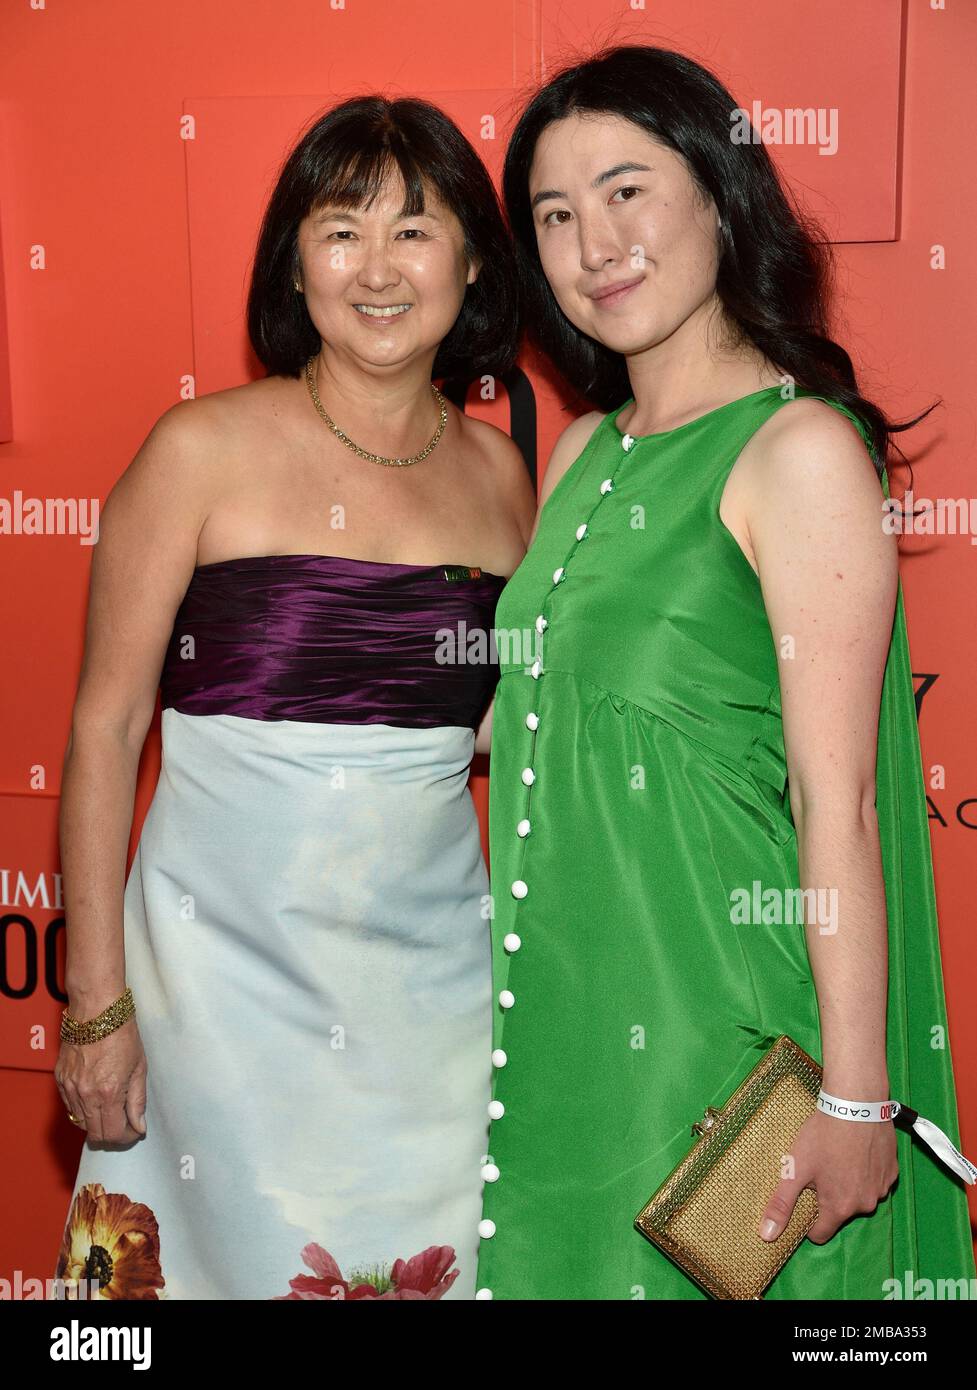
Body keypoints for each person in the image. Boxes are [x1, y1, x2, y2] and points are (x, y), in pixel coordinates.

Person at [474, 45, 976, 1300]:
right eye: (552, 214)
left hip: (718, 1026)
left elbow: (838, 800)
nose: (593, 241)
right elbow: (532, 725)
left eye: (626, 190)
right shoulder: (580, 451)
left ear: (716, 193)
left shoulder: (796, 450)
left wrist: (856, 1093)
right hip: (561, 1024)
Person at [52, 95, 535, 1301]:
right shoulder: (196, 449)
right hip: (215, 1000)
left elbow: (504, 736)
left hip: (430, 1001)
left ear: (470, 261)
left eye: (414, 232)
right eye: (340, 230)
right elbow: (107, 727)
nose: (377, 269)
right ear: (294, 258)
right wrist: (96, 1002)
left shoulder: (501, 473)